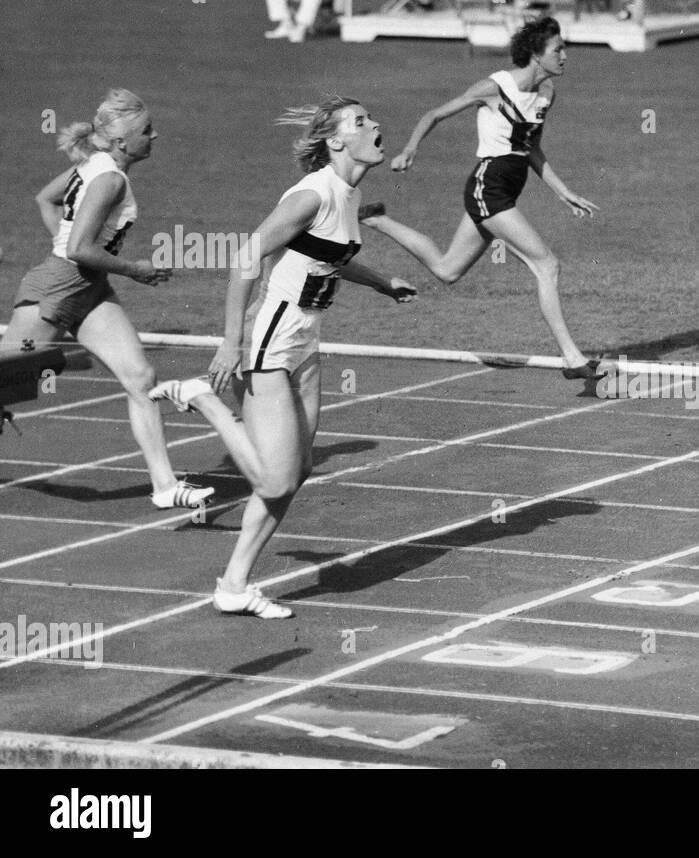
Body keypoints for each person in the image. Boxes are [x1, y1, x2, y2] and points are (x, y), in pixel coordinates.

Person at [149, 97, 417, 619]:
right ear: (336, 141)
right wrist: (229, 342)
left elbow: (328, 256)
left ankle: (233, 584)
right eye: (362, 122)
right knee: (273, 479)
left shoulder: (347, 192)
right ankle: (202, 397)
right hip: (269, 342)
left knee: (297, 471)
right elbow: (248, 257)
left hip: (305, 344)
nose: (377, 125)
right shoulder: (312, 194)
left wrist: (382, 282)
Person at [0, 89, 214, 512]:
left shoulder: (95, 165)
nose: (155, 135)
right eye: (147, 131)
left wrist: (68, 243)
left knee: (140, 377)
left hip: (90, 288)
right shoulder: (110, 178)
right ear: (121, 142)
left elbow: (47, 201)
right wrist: (135, 269)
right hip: (58, 288)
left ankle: (165, 485)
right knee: (4, 383)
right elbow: (78, 248)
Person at [358, 17, 605, 382]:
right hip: (488, 188)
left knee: (447, 270)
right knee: (547, 265)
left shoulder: (547, 93)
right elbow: (435, 113)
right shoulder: (494, 87)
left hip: (506, 189)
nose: (565, 56)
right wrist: (410, 150)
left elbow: (530, 148)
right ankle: (572, 358)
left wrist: (562, 190)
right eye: (558, 49)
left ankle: (376, 219)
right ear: (536, 55)